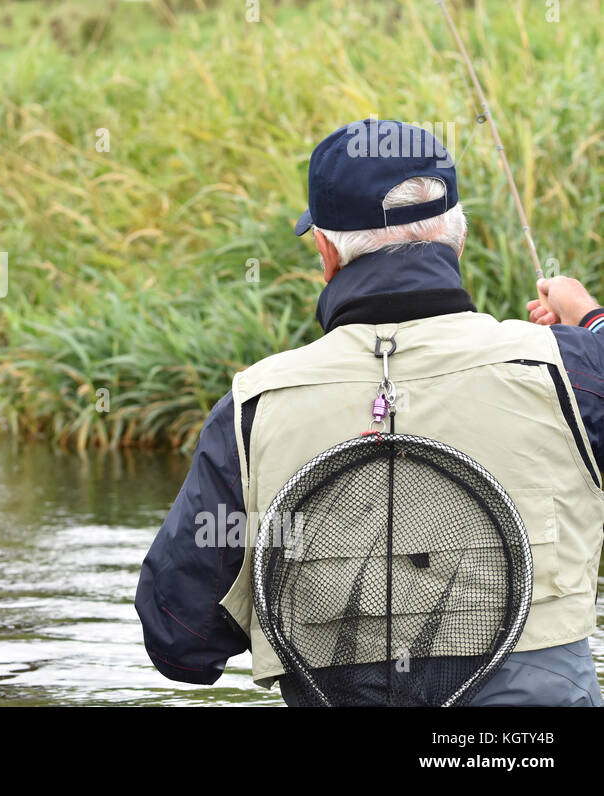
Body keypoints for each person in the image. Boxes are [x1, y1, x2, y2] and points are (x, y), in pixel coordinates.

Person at [135, 118, 604, 706]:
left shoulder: (253, 408)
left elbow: (178, 640)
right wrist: (589, 321)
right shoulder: (570, 371)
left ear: (328, 253)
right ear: (457, 240)